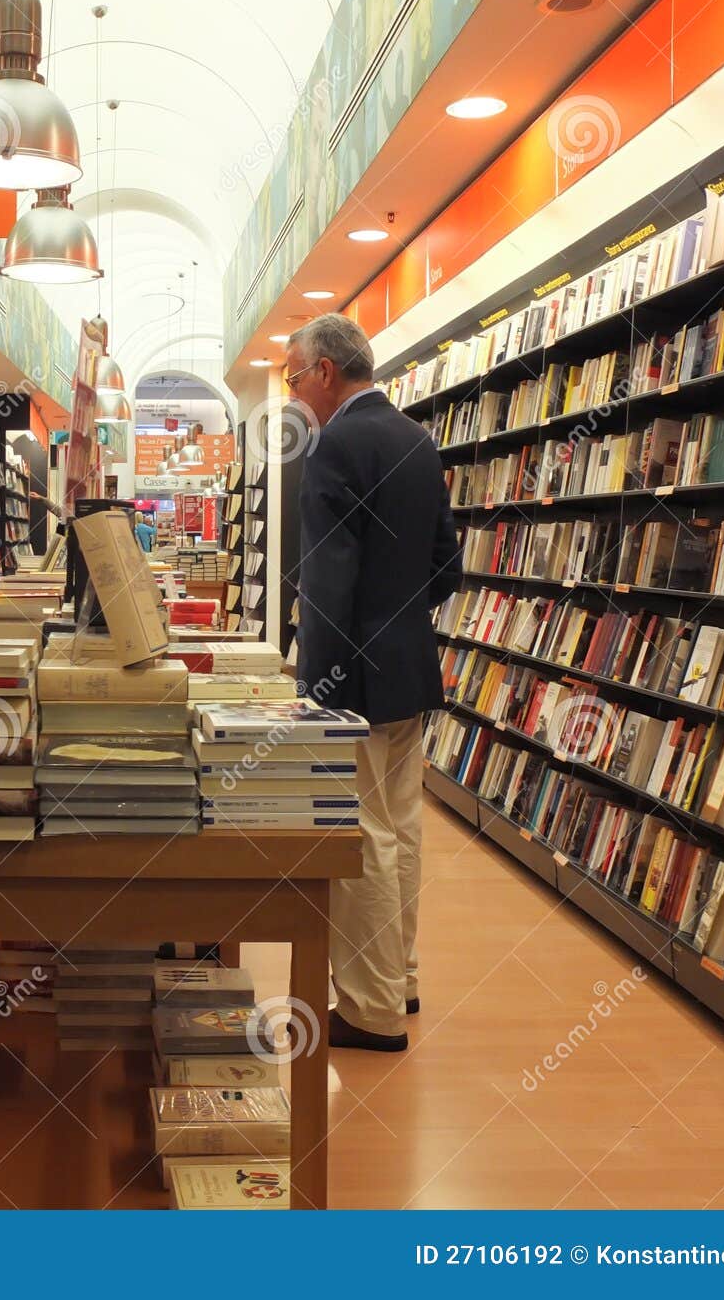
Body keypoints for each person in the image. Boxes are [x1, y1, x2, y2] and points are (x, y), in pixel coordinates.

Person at [287, 312, 462, 1053]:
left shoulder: (334, 447)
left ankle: (371, 1008)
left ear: (326, 371)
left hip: (351, 676)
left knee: (361, 835)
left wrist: (314, 689)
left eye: (295, 378)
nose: (295, 395)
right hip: (410, 668)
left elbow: (326, 583)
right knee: (402, 824)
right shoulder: (420, 440)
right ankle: (404, 976)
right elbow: (446, 566)